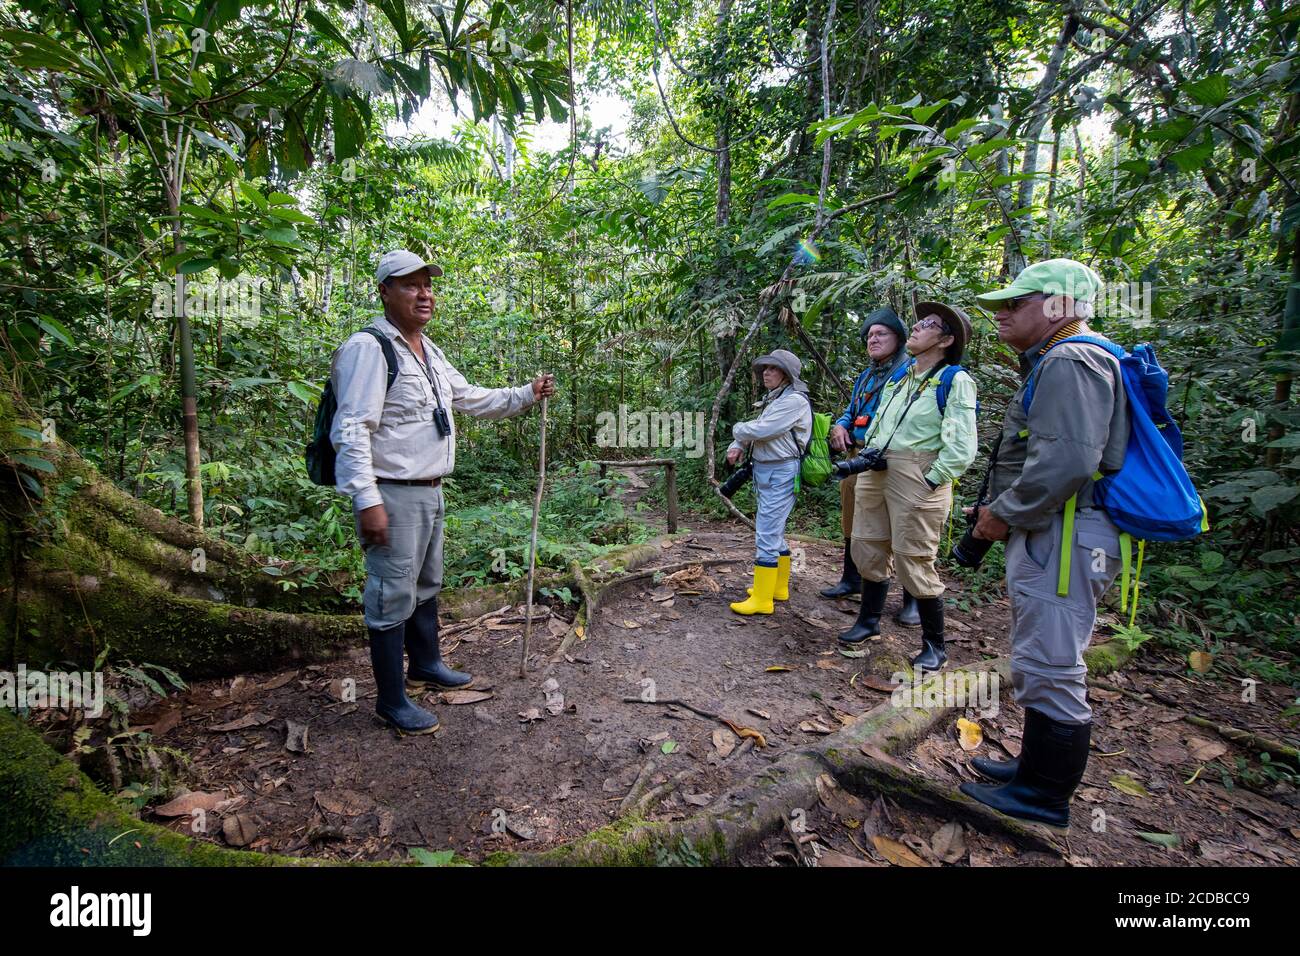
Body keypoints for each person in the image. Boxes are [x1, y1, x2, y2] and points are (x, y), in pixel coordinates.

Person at [331, 249, 556, 735]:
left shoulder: (428, 351)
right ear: (384, 292)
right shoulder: (369, 349)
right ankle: (391, 701)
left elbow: (470, 397)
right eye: (410, 284)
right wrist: (366, 499)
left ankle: (426, 664)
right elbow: (351, 429)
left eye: (427, 284)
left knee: (426, 584)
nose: (424, 293)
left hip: (430, 490)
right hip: (391, 492)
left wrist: (525, 394)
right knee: (391, 594)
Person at [958, 259, 1127, 829]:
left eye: (1017, 302)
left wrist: (1000, 516)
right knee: (1041, 652)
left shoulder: (1071, 359)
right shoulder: (1065, 357)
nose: (1002, 313)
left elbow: (1066, 461)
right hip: (1061, 529)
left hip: (1067, 531)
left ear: (1060, 305)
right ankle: (1031, 771)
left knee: (1053, 661)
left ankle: (1045, 795)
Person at [838, 302, 977, 676]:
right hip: (878, 466)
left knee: (913, 556)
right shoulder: (901, 378)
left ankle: (934, 646)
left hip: (918, 473)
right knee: (866, 543)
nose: (916, 326)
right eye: (918, 321)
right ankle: (868, 620)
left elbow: (962, 444)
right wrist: (870, 454)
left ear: (946, 340)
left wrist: (932, 479)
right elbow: (880, 424)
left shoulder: (954, 379)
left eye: (928, 324)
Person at [823, 307, 916, 628]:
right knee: (852, 518)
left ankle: (913, 597)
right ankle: (852, 579)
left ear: (900, 339)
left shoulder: (910, 372)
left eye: (881, 334)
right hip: (856, 454)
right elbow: (851, 410)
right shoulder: (867, 375)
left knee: (900, 525)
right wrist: (840, 426)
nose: (873, 340)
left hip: (893, 458)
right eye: (870, 336)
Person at [725, 349, 813, 615]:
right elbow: (759, 429)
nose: (766, 372)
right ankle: (776, 588)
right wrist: (738, 443)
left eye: (773, 369)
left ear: (786, 375)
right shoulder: (774, 399)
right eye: (765, 368)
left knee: (766, 531)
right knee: (774, 530)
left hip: (781, 471)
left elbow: (763, 430)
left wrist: (737, 429)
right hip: (767, 470)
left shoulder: (794, 401)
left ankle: (762, 600)